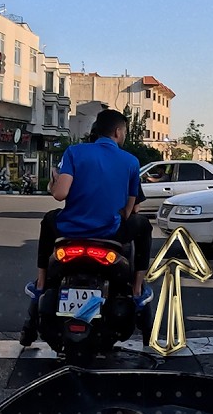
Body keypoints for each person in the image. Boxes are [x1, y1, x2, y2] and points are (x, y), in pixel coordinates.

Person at [20, 109, 151, 345]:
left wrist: (53, 183)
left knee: (49, 219)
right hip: (109, 232)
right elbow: (131, 210)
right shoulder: (131, 161)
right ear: (118, 132)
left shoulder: (74, 152)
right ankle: (139, 285)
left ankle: (40, 280)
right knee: (143, 227)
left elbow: (60, 195)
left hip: (71, 230)